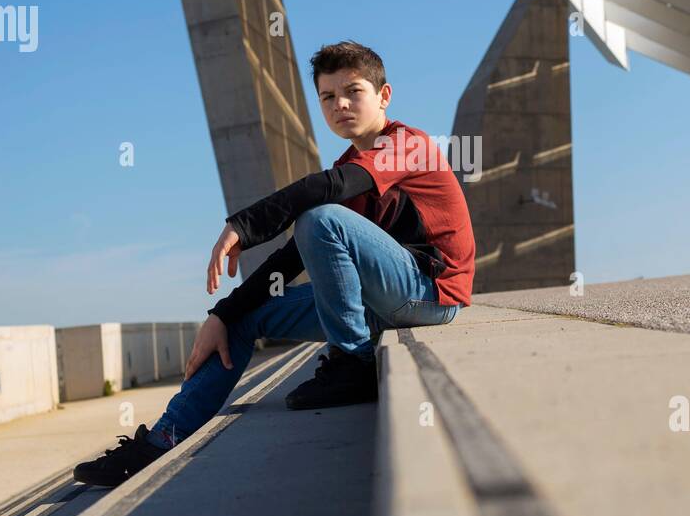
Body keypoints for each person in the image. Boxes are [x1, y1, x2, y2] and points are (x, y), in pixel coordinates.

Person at [74, 41, 476, 487]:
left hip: (430, 293)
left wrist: (244, 227)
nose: (340, 104)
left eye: (353, 91)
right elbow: (296, 252)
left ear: (384, 96)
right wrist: (223, 314)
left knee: (321, 215)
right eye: (327, 96)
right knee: (248, 318)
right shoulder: (350, 164)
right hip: (381, 297)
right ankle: (164, 439)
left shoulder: (407, 145)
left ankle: (353, 363)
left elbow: (324, 204)